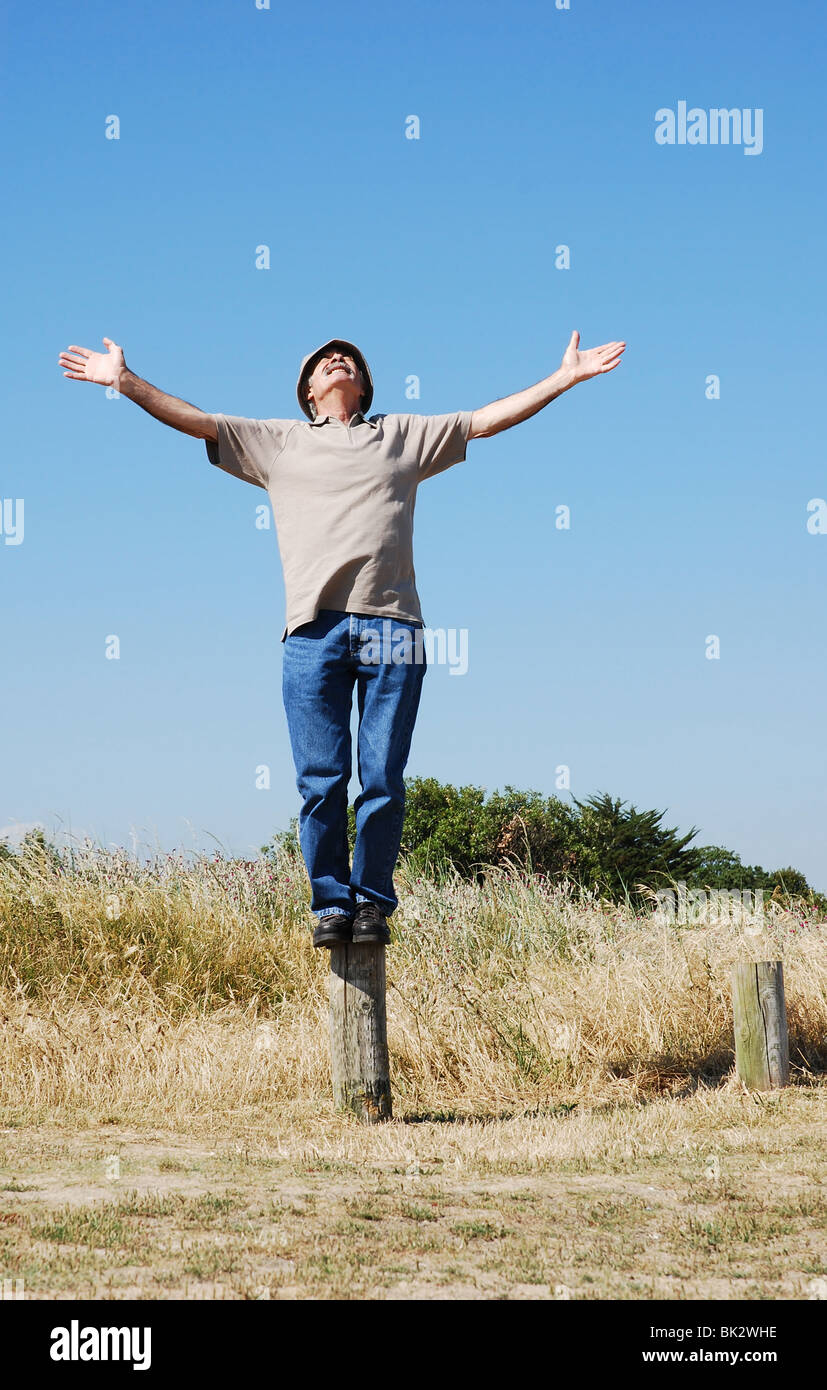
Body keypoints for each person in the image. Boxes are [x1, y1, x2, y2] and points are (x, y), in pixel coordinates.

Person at [58, 331, 625, 948]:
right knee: (320, 779)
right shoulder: (278, 443)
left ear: (364, 383)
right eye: (324, 360)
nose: (337, 359)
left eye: (348, 358)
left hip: (394, 626)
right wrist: (125, 380)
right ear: (308, 391)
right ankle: (330, 902)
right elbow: (197, 420)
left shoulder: (401, 436)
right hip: (311, 628)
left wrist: (563, 379)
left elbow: (486, 420)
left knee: (382, 776)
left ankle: (372, 904)